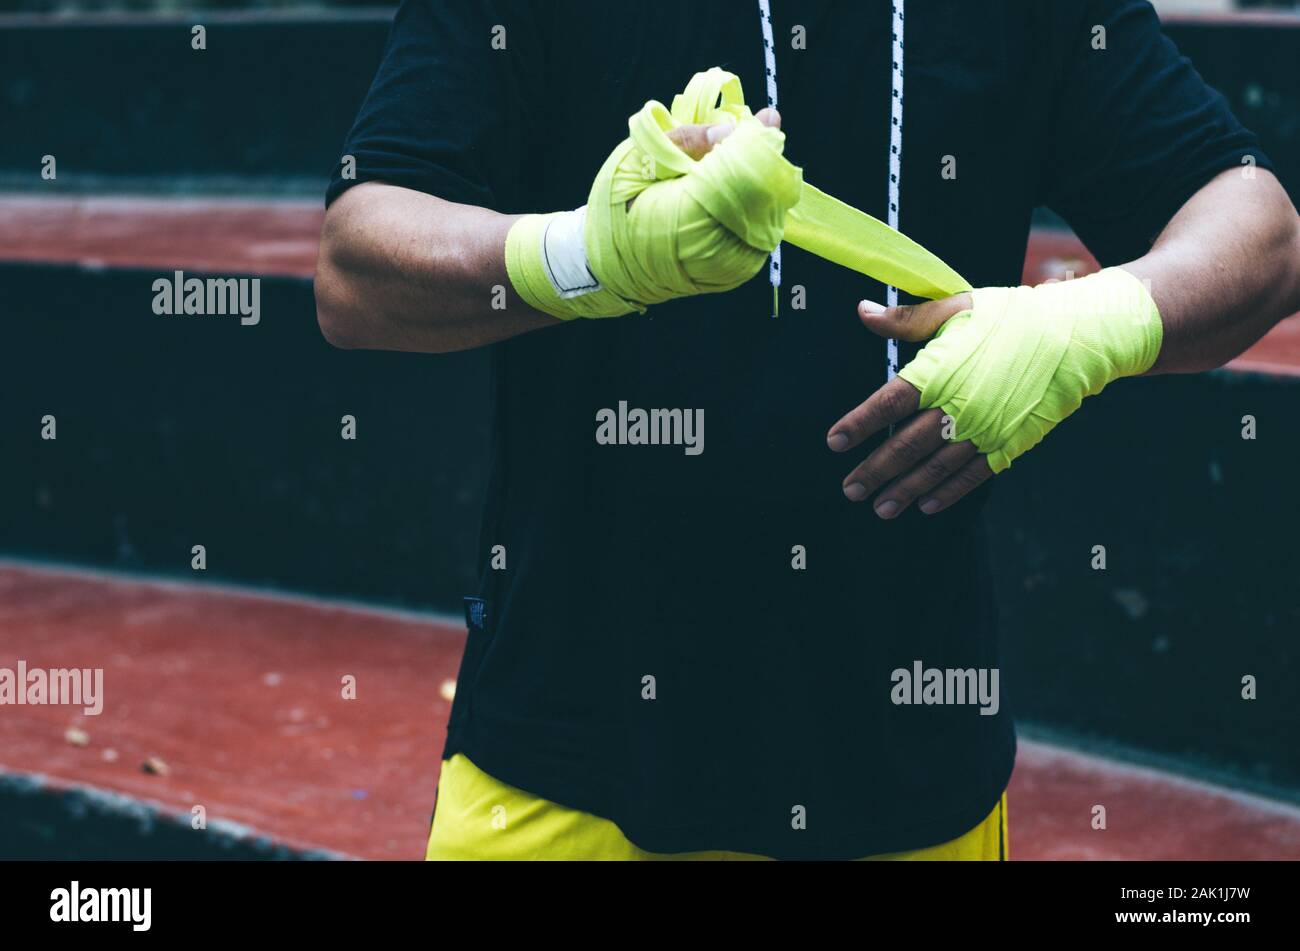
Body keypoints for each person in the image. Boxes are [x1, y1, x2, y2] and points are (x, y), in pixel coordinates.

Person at [314, 0, 1300, 860]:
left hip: (912, 791)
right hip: (571, 778)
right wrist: (587, 256)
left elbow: (1257, 230)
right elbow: (358, 265)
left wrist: (1088, 323)